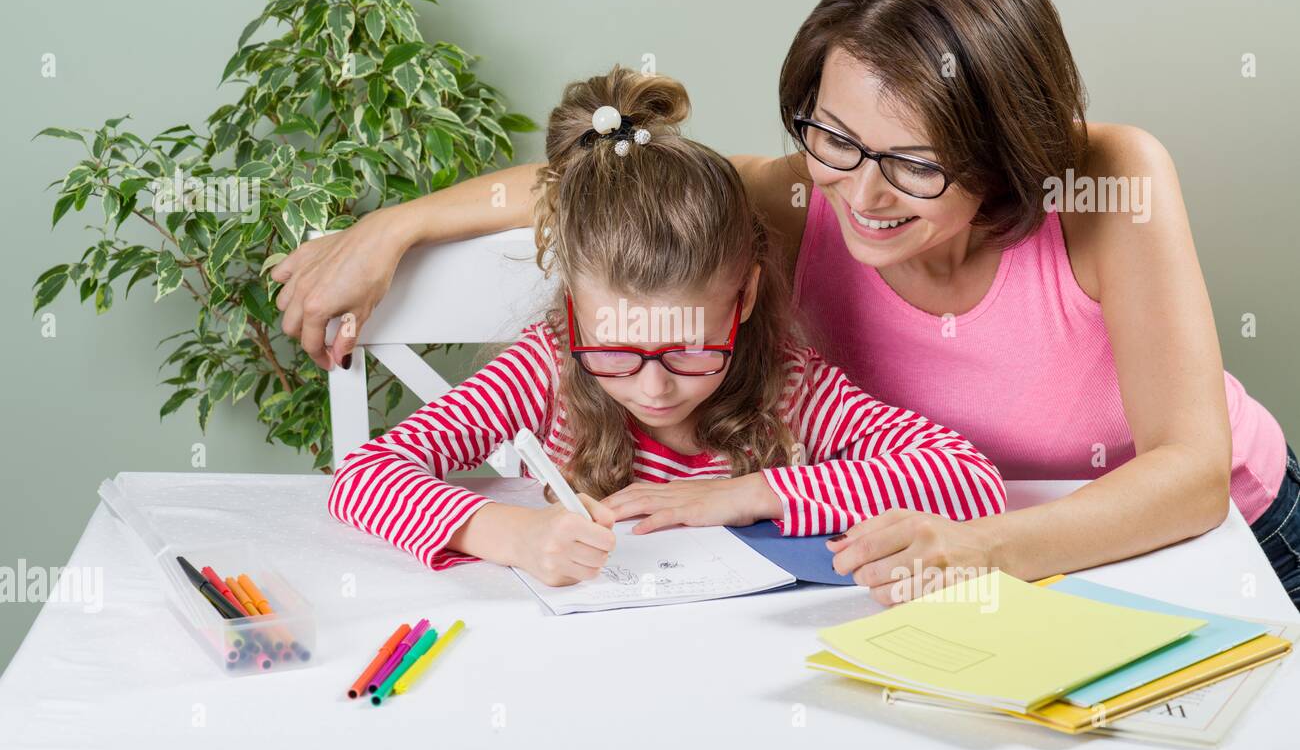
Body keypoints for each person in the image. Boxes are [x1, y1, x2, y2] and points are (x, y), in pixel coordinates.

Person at [284, 0, 1296, 608]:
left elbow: (1188, 474)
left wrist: (980, 551)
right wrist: (394, 226)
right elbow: (607, 172)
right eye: (833, 137)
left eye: (915, 161)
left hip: (1204, 541)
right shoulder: (796, 193)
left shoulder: (1110, 181)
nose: (861, 193)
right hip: (941, 552)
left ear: (1008, 151)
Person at [326, 67, 1006, 588]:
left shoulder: (785, 383)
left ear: (745, 297)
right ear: (572, 314)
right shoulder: (551, 365)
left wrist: (738, 496)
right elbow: (362, 475)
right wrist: (508, 535)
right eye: (616, 352)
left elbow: (967, 480)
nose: (653, 387)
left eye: (687, 350)